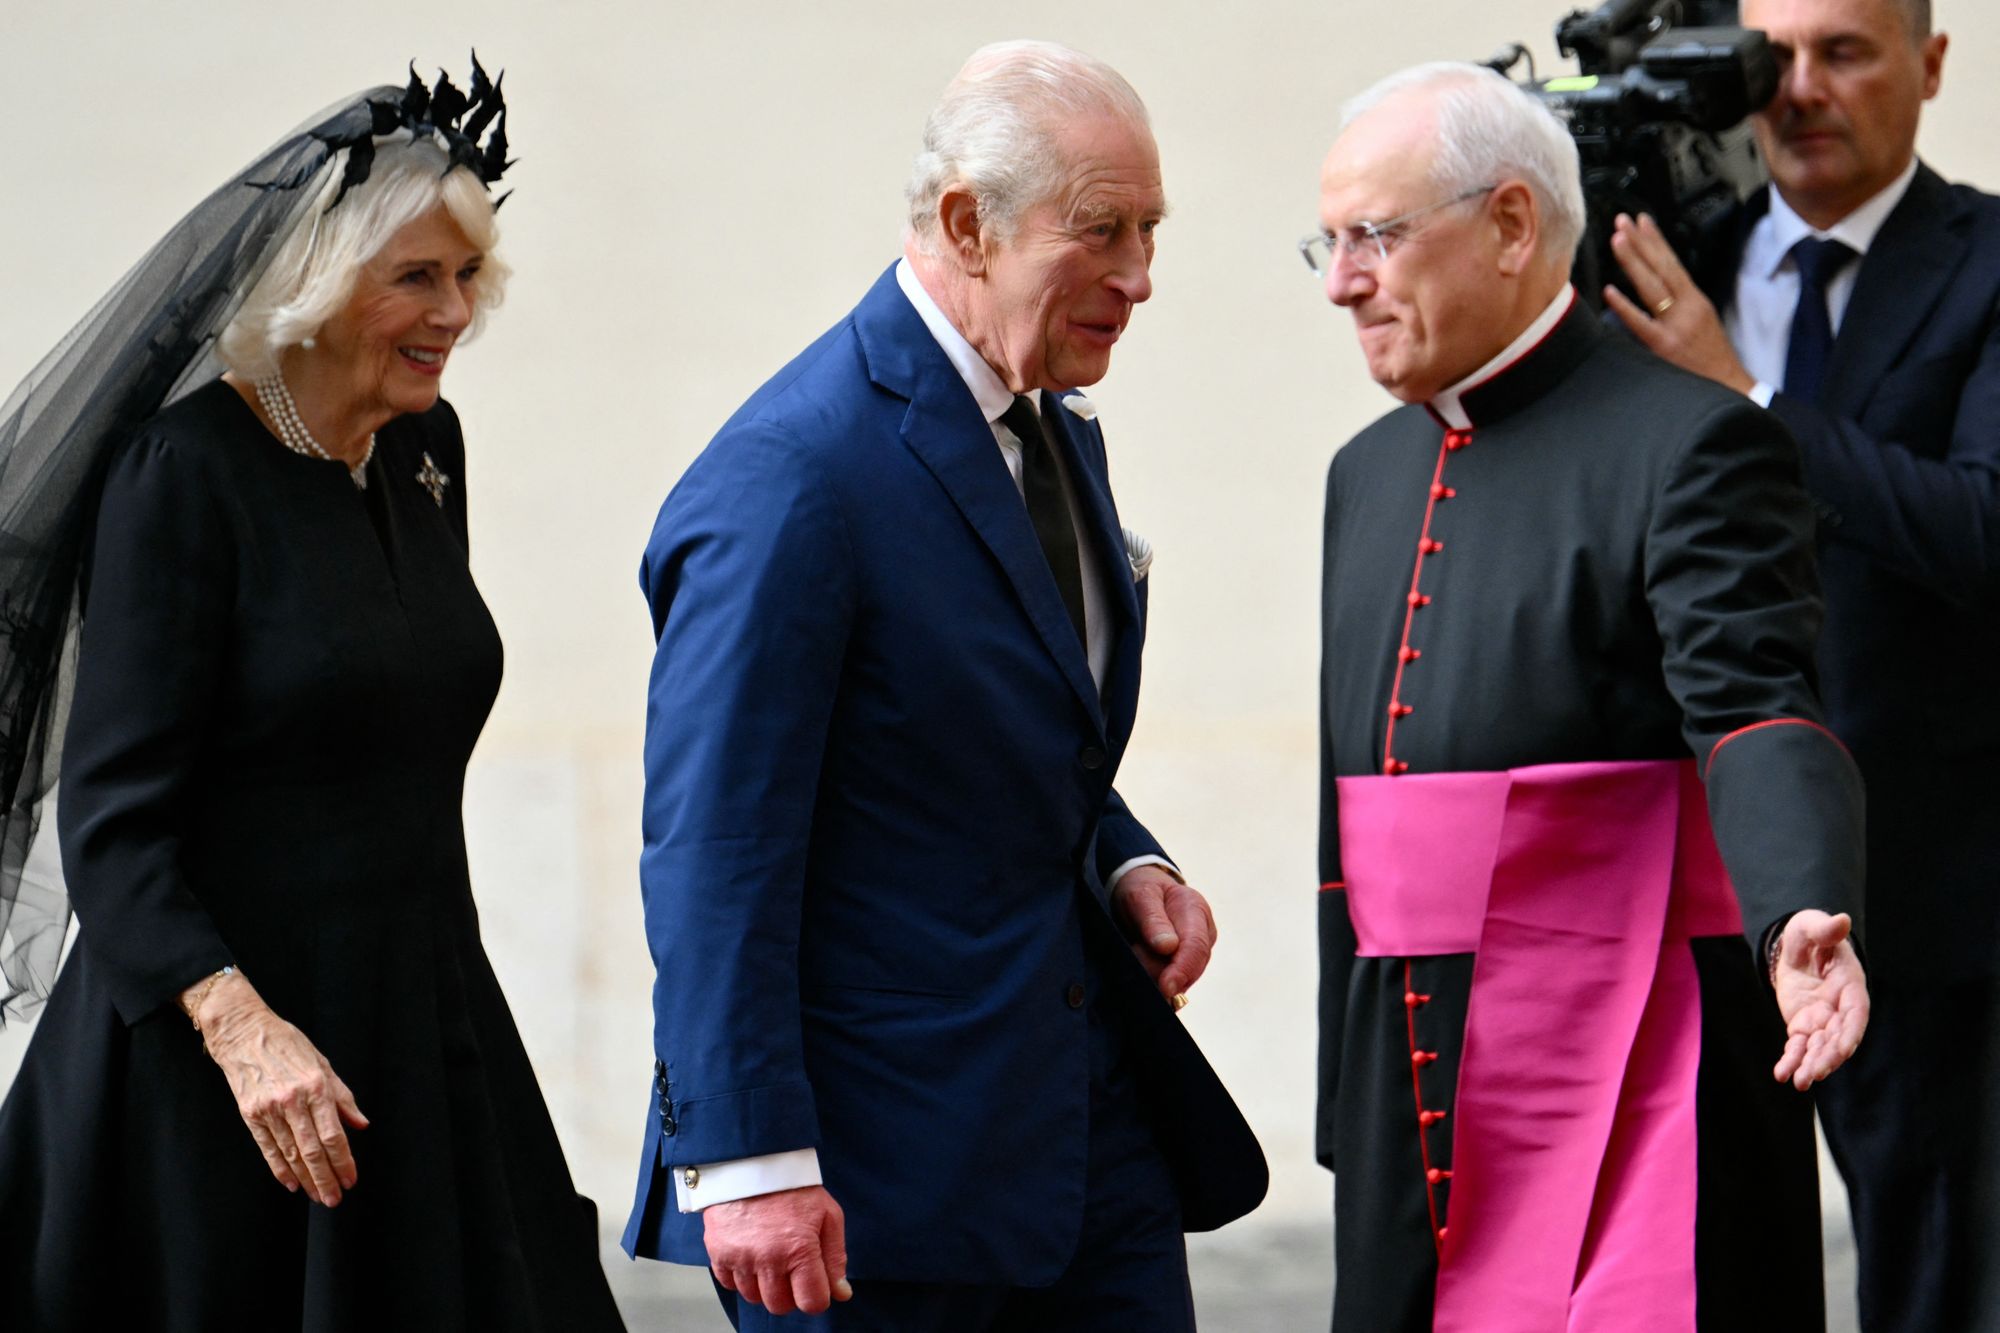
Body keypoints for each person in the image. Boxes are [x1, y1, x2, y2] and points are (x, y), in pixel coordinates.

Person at [623, 39, 1266, 1332]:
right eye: (1102, 232)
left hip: (1089, 1146)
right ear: (970, 223)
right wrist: (749, 1162)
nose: (1140, 278)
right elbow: (715, 845)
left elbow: (994, 726)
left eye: (1150, 230)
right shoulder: (791, 476)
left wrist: (1124, 857)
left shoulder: (1050, 424)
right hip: (878, 1185)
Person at [0, 66, 625, 1331]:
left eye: (467, 277)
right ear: (317, 281)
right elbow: (115, 830)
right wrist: (246, 1035)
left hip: (419, 1016)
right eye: (416, 278)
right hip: (218, 1070)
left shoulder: (423, 451)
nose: (456, 311)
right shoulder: (182, 479)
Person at [1310, 62, 1871, 1332]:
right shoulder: (1366, 470)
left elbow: (1755, 705)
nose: (1342, 280)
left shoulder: (1690, 440)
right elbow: (1349, 823)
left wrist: (1796, 906)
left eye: (1377, 237)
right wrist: (1341, 1102)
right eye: (1331, 241)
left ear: (1511, 224)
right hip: (1405, 1069)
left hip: (1637, 1062)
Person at [1605, 2, 2000, 1326]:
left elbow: (1980, 528)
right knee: (1713, 1262)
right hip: (1692, 878)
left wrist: (1748, 406)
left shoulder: (1990, 261)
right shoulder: (1666, 257)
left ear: (1931, 64)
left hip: (1931, 889)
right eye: (1772, 57)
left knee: (1935, 1277)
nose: (1802, 89)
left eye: (1847, 51)